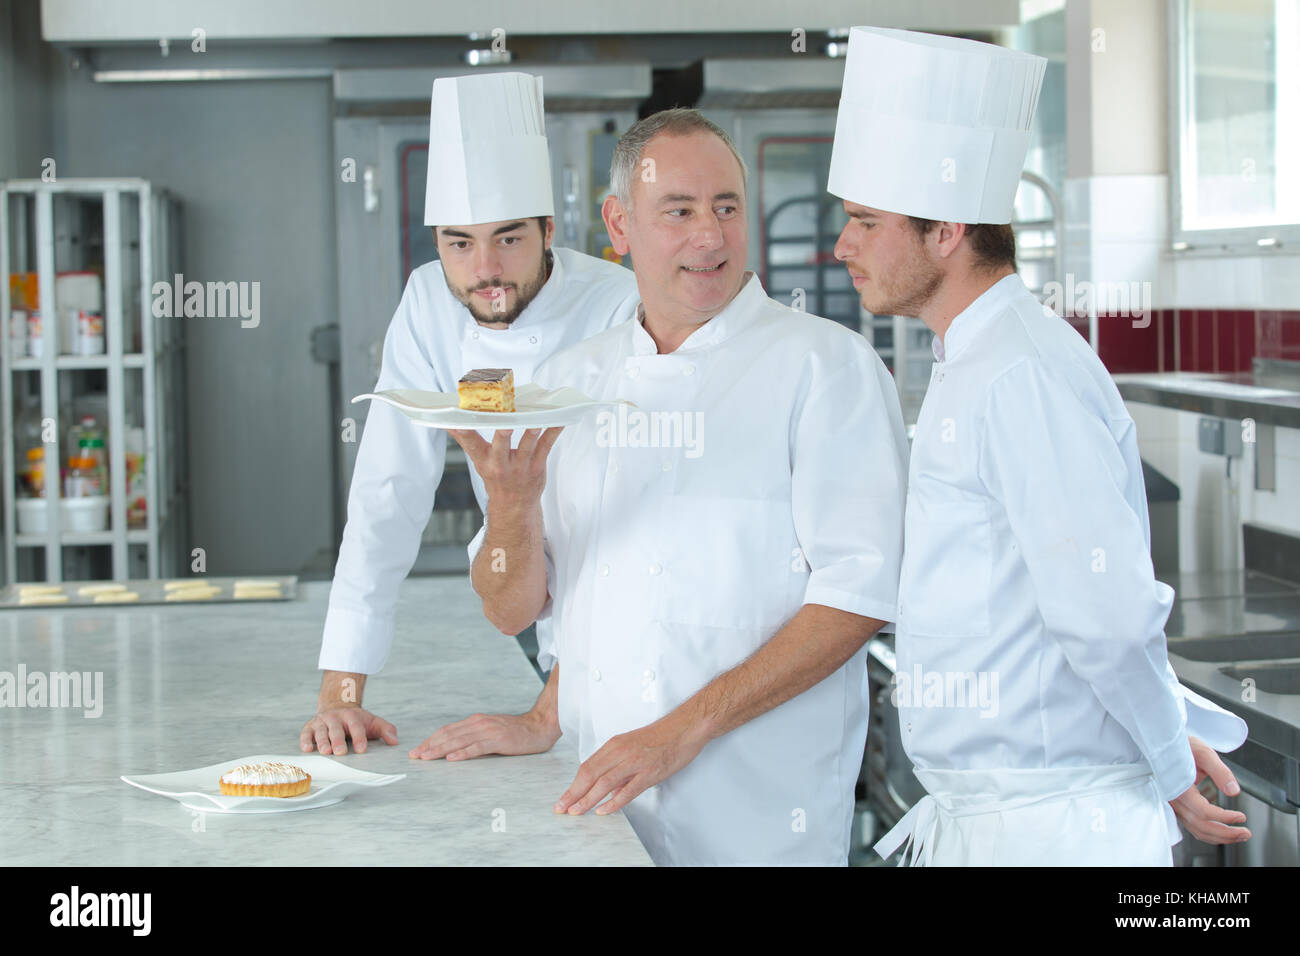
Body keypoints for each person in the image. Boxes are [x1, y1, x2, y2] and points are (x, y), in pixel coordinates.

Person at [434, 108, 909, 865]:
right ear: (618, 225)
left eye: (726, 207)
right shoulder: (568, 382)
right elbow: (512, 607)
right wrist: (513, 511)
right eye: (679, 211)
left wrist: (677, 733)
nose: (710, 236)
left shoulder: (827, 368)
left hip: (759, 808)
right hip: (599, 804)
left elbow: (856, 599)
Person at [823, 26, 1250, 865]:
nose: (842, 247)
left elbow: (1109, 617)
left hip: (1053, 833)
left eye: (865, 223)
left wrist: (1164, 758)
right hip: (1007, 819)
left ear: (945, 231)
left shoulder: (1021, 373)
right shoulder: (973, 357)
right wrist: (1155, 732)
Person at [301, 72, 639, 758]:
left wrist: (546, 716)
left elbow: (641, 535)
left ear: (549, 230)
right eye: (459, 243)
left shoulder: (618, 303)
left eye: (508, 239)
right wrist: (342, 694)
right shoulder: (428, 302)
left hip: (628, 614)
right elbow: (386, 494)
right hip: (522, 590)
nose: (485, 269)